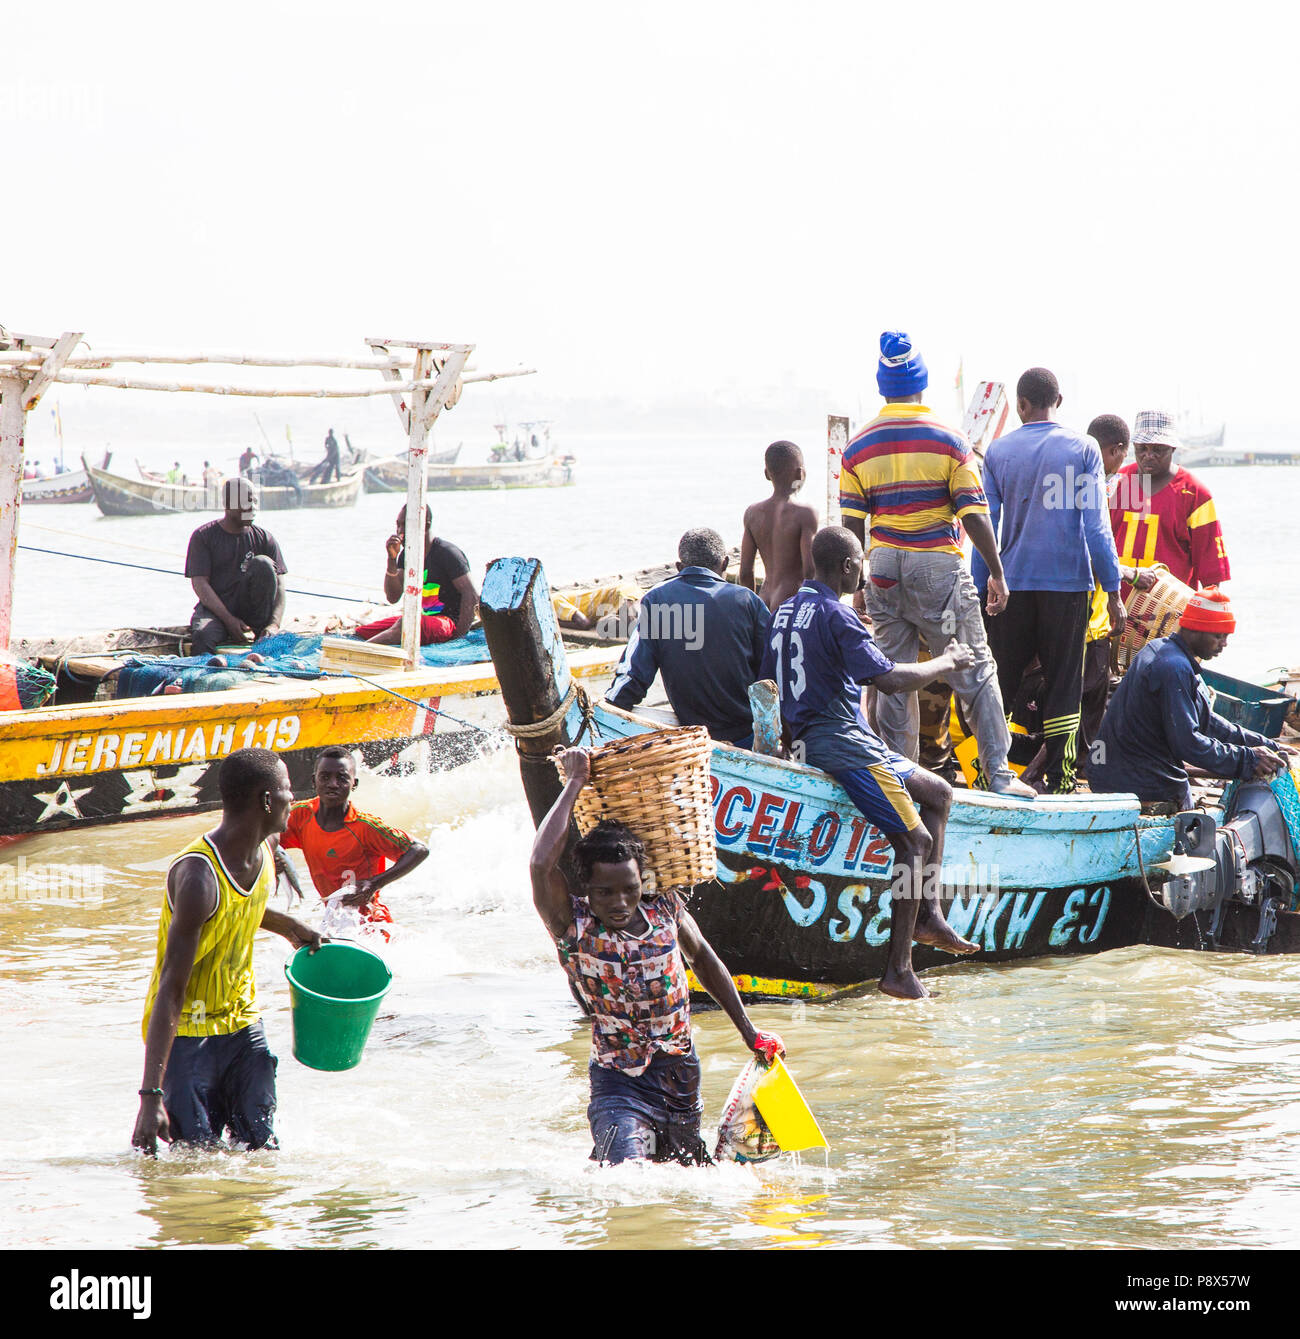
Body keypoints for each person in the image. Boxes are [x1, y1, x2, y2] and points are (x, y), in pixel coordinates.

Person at [532, 748, 785, 1165]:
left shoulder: (663, 907)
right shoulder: (571, 923)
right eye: (605, 892)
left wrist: (750, 1033)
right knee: (624, 1179)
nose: (619, 902)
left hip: (681, 1077)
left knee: (687, 1182)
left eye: (629, 888)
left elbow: (703, 958)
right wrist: (575, 781)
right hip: (618, 1082)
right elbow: (541, 864)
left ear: (642, 880)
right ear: (586, 889)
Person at [762, 526, 980, 1000]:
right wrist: (947, 662)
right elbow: (890, 680)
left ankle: (929, 915)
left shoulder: (783, 612)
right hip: (837, 741)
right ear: (846, 567)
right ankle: (898, 971)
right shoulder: (837, 614)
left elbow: (769, 683)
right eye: (859, 565)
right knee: (915, 841)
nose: (862, 575)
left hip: (833, 736)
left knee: (940, 793)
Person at [841, 331, 1033, 798]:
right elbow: (972, 511)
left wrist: (859, 583)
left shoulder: (858, 446)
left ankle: (900, 777)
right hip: (936, 567)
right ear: (921, 384)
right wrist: (998, 574)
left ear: (883, 386)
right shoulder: (951, 440)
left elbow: (850, 525)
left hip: (882, 565)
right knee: (975, 668)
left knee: (892, 674)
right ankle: (1000, 775)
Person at [131, 749, 324, 1154]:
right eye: (288, 790)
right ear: (267, 801)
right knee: (195, 1162)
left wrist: (289, 926)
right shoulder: (199, 877)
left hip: (242, 1023)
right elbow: (170, 987)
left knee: (260, 1153)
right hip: (187, 1034)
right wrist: (150, 1097)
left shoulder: (266, 848)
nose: (296, 798)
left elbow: (241, 906)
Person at [975, 367, 1122, 794]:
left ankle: (990, 774)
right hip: (1069, 588)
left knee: (1001, 680)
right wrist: (1112, 593)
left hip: (1013, 584)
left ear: (1020, 405)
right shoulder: (1085, 448)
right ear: (1059, 401)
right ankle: (1060, 780)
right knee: (1063, 685)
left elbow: (985, 525)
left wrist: (980, 583)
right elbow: (1097, 528)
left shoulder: (999, 452)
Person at [1090, 589, 1291, 808]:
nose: (1224, 644)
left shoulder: (1160, 649)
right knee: (1181, 791)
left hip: (1105, 771)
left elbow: (1207, 722)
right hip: (1136, 782)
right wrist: (1248, 760)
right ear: (1195, 630)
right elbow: (1190, 745)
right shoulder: (1174, 668)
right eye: (1218, 636)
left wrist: (1266, 744)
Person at [608, 527, 769, 747]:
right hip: (746, 735)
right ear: (724, 564)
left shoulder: (657, 600)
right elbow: (773, 669)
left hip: (694, 740)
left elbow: (633, 677)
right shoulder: (747, 600)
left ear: (679, 567)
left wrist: (607, 709)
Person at [273, 746, 427, 933]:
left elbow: (418, 850)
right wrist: (272, 858)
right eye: (325, 777)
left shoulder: (365, 827)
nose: (333, 784)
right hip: (334, 920)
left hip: (372, 925)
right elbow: (267, 839)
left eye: (342, 778)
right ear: (314, 781)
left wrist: (374, 884)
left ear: (354, 783)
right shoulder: (301, 815)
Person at [1109, 408, 1230, 593]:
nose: (1149, 455)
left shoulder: (1195, 494)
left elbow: (1211, 573)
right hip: (1113, 608)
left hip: (1170, 612)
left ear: (1173, 448)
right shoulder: (1115, 483)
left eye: (1158, 450)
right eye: (1142, 449)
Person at [185, 477, 287, 656]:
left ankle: (260, 639)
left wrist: (274, 624)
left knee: (263, 563)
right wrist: (229, 620)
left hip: (253, 615)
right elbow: (200, 584)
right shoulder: (203, 537)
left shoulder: (265, 538)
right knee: (202, 636)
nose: (253, 507)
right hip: (216, 611)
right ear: (228, 504)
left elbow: (280, 586)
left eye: (255, 501)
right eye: (247, 501)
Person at [355, 504, 477, 645]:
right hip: (422, 620)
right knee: (363, 631)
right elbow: (393, 597)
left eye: (405, 526)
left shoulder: (447, 553)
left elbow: (472, 594)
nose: (400, 531)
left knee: (406, 625)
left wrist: (458, 638)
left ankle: (359, 652)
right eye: (398, 525)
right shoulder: (407, 554)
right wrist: (392, 559)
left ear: (425, 525)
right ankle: (360, 647)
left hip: (446, 623)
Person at [739, 440, 817, 611]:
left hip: (764, 599)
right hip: (792, 601)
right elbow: (810, 570)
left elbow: (745, 572)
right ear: (800, 473)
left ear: (767, 474)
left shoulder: (752, 513)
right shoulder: (805, 513)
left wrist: (752, 610)